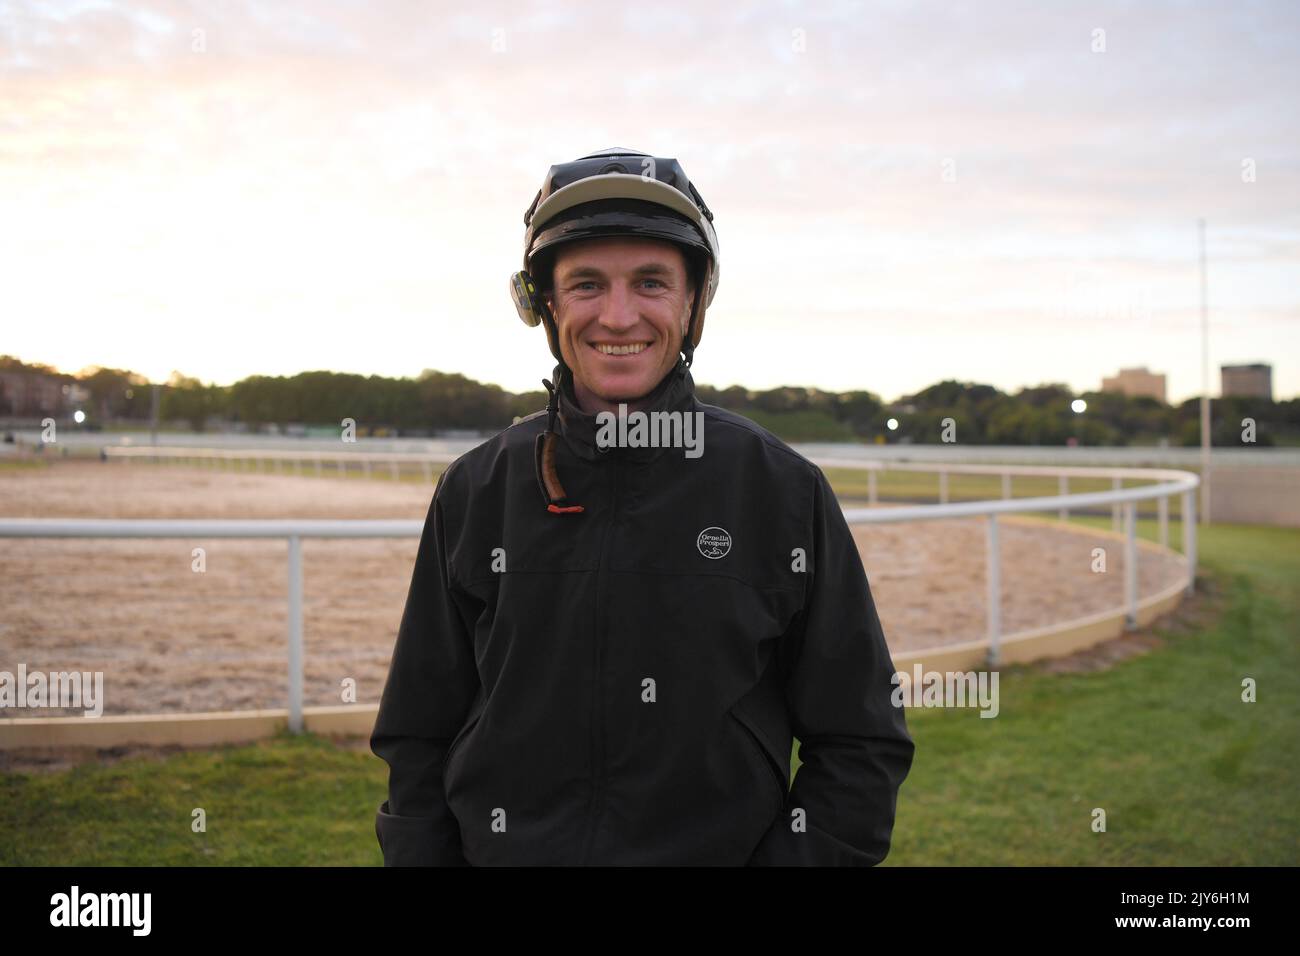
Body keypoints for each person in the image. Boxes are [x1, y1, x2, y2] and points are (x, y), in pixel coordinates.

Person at [369, 147, 914, 865]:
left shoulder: (782, 490)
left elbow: (859, 741)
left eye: (651, 282)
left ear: (693, 303)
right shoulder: (477, 489)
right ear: (543, 305)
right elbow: (419, 730)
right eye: (587, 284)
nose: (617, 315)